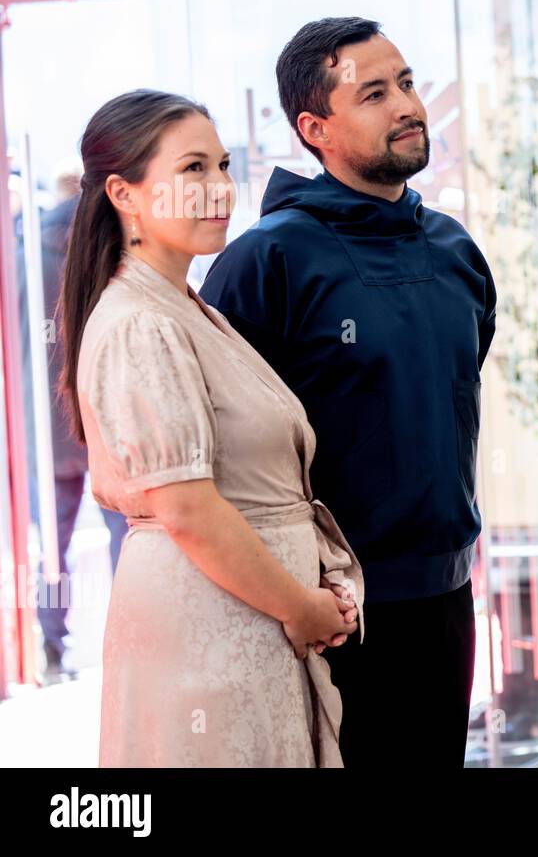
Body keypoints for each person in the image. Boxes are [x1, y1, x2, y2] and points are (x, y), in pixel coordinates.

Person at [200, 18, 496, 768]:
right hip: (327, 611)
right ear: (315, 127)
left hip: (448, 595)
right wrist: (287, 597)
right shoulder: (265, 262)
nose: (408, 105)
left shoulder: (456, 250)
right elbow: (221, 452)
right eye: (374, 93)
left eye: (405, 83)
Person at [63, 89, 361, 766]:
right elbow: (187, 508)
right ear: (125, 193)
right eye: (193, 169)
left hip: (242, 626)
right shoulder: (142, 320)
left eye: (224, 166)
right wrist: (299, 606)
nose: (220, 188)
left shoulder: (184, 307)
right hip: (210, 631)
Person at [16, 164, 128, 683]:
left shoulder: (22, 258)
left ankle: (53, 643)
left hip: (46, 423)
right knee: (124, 534)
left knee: (53, 543)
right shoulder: (107, 253)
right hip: (103, 417)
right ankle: (127, 638)